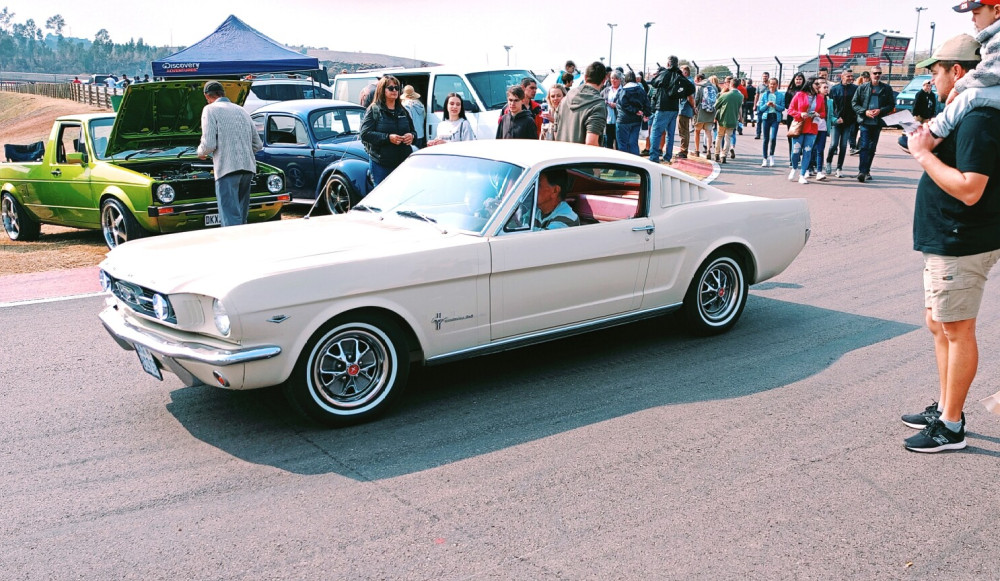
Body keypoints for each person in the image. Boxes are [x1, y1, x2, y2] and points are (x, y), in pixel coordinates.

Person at [902, 34, 1000, 453]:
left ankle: (951, 425)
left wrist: (924, 156)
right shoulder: (963, 113)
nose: (933, 79)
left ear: (957, 71)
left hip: (962, 237)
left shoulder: (979, 118)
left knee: (957, 329)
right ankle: (945, 406)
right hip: (947, 236)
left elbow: (971, 188)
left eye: (936, 70)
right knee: (939, 324)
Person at [196, 81, 263, 227]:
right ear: (223, 93)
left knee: (230, 219)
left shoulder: (210, 110)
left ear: (207, 96)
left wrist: (200, 152)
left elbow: (208, 145)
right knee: (241, 216)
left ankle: (232, 247)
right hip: (247, 169)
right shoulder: (242, 110)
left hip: (227, 169)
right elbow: (258, 145)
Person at [359, 75, 416, 186]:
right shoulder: (374, 109)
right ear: (382, 90)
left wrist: (411, 136)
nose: (394, 90)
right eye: (390, 88)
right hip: (381, 165)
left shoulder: (403, 110)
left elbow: (414, 132)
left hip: (403, 163)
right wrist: (388, 138)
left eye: (397, 88)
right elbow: (365, 134)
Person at [851, 65, 894, 182]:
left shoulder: (886, 88)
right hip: (865, 122)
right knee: (864, 146)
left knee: (872, 148)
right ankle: (862, 171)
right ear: (870, 75)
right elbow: (854, 103)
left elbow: (891, 105)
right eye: (875, 73)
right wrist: (865, 112)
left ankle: (867, 170)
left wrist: (881, 110)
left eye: (879, 73)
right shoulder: (862, 88)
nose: (877, 75)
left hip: (877, 122)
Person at [648, 56, 694, 164]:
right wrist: (680, 93)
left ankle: (654, 157)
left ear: (668, 64)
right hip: (674, 108)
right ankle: (667, 156)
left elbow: (654, 82)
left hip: (662, 107)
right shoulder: (679, 75)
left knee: (656, 132)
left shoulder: (665, 74)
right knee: (670, 134)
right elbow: (691, 88)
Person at [555, 61, 607, 145]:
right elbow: (591, 142)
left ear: (585, 77)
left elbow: (556, 130)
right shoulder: (598, 104)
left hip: (561, 154)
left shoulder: (566, 97)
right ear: (604, 80)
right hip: (581, 157)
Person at [786, 76, 827, 184]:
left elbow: (823, 113)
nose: (819, 86)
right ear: (810, 84)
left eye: (819, 84)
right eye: (817, 84)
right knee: (795, 151)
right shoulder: (799, 95)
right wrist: (800, 114)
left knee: (807, 151)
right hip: (800, 126)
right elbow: (790, 110)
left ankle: (802, 174)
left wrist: (818, 114)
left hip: (812, 127)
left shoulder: (820, 98)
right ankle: (794, 168)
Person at [825, 70, 857, 178]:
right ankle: (828, 161)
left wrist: (853, 118)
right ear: (842, 76)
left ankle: (839, 168)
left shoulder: (855, 89)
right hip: (836, 121)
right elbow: (831, 106)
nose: (850, 78)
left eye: (851, 76)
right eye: (848, 76)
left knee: (843, 145)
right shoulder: (834, 89)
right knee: (834, 144)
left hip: (848, 122)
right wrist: (834, 118)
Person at [615, 71, 651, 155]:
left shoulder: (623, 90)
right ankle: (635, 163)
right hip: (636, 120)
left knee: (623, 145)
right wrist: (645, 113)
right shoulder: (641, 90)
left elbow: (623, 104)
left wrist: (635, 110)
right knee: (633, 143)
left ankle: (623, 165)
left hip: (623, 120)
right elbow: (647, 103)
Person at [757, 77, 785, 167]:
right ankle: (764, 158)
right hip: (766, 117)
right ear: (768, 84)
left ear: (777, 85)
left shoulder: (780, 95)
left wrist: (775, 105)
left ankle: (771, 156)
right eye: (771, 84)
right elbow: (761, 108)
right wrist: (767, 104)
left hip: (775, 118)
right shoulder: (765, 95)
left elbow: (782, 108)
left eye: (774, 84)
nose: (772, 85)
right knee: (765, 139)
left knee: (773, 138)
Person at [713, 77, 742, 163]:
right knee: (728, 137)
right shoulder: (740, 96)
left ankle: (717, 154)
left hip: (722, 118)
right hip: (733, 119)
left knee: (719, 136)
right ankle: (724, 155)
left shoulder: (725, 95)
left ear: (731, 84)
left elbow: (716, 105)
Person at [807, 78, 831, 179]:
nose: (826, 89)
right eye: (824, 87)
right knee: (810, 148)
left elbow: (825, 114)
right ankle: (808, 168)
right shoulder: (812, 98)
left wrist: (820, 115)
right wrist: (812, 114)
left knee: (820, 149)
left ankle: (819, 171)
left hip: (822, 126)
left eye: (827, 87)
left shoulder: (828, 100)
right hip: (812, 126)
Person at [692, 74, 718, 158]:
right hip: (711, 112)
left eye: (696, 79)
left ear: (699, 79)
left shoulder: (699, 86)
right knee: (708, 132)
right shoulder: (714, 86)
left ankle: (697, 150)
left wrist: (694, 108)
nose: (695, 81)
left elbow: (696, 99)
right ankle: (708, 151)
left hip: (700, 112)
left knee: (697, 131)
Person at [784, 73, 806, 166]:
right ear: (794, 80)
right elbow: (786, 105)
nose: (798, 81)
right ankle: (792, 159)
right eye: (797, 79)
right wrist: (796, 111)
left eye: (800, 79)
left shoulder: (805, 91)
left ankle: (800, 158)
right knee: (792, 138)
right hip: (792, 118)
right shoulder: (790, 91)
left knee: (803, 138)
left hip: (803, 118)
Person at [676, 65, 696, 159]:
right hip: (685, 108)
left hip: (684, 108)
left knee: (683, 130)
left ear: (685, 72)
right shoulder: (689, 81)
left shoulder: (687, 82)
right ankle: (683, 150)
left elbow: (690, 97)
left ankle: (683, 151)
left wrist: (693, 107)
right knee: (684, 130)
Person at [602, 71, 622, 149]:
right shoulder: (606, 90)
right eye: (612, 78)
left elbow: (626, 104)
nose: (614, 80)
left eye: (616, 78)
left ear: (620, 80)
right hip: (608, 120)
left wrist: (616, 105)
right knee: (608, 142)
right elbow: (600, 99)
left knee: (618, 143)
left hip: (618, 120)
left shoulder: (623, 90)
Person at [754, 72, 771, 139]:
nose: (764, 77)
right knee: (759, 121)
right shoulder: (759, 86)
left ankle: (766, 134)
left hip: (768, 105)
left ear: (768, 77)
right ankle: (758, 134)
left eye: (766, 76)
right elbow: (757, 95)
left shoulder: (770, 85)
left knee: (767, 121)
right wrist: (754, 105)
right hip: (760, 105)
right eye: (763, 76)